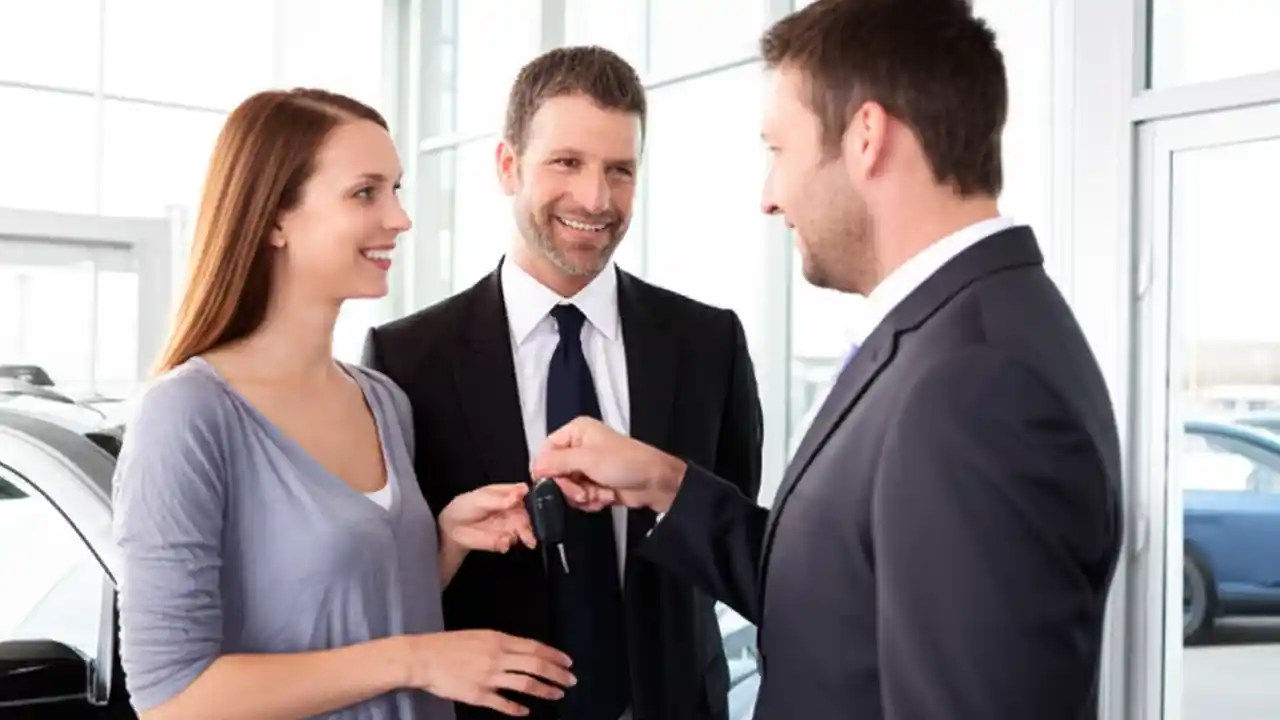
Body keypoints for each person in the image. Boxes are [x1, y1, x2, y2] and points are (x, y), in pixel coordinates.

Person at [530, 2, 1124, 719]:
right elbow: (831, 596)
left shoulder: (976, 386)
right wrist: (666, 483)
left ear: (867, 137)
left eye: (779, 150)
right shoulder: (953, 335)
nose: (769, 196)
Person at [112, 88, 575, 720]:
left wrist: (444, 541)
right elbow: (172, 699)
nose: (399, 218)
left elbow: (350, 612)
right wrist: (417, 660)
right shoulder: (188, 414)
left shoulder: (382, 400)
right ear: (275, 219)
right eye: (365, 193)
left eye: (396, 189)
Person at [363, 47, 763, 720]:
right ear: (508, 166)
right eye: (567, 163)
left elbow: (734, 544)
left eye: (619, 170)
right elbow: (385, 589)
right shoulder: (405, 359)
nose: (596, 199)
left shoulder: (709, 343)